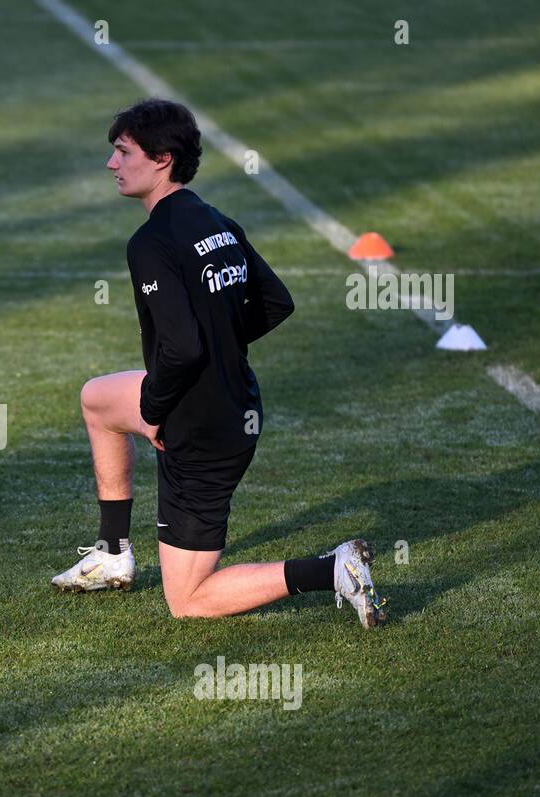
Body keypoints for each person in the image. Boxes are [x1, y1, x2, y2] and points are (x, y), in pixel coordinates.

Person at [51, 99, 386, 628]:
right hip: (230, 399)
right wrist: (217, 347)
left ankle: (331, 569)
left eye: (121, 152)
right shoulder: (217, 221)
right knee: (97, 399)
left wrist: (155, 409)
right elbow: (276, 303)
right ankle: (112, 550)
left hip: (200, 429)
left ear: (161, 159)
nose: (111, 164)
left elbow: (182, 348)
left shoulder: (151, 242)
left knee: (187, 601)